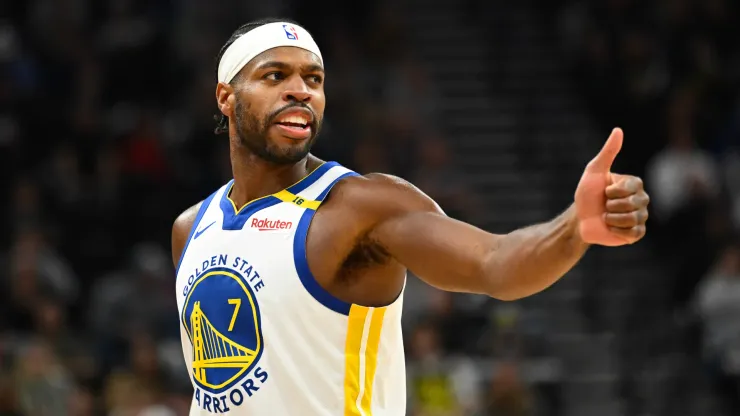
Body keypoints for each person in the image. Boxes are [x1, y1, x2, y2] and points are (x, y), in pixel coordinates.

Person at [171, 18, 650, 416]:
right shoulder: (191, 229)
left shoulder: (362, 207)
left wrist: (574, 227)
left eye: (313, 79)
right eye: (275, 76)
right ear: (226, 98)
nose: (300, 91)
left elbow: (495, 263)